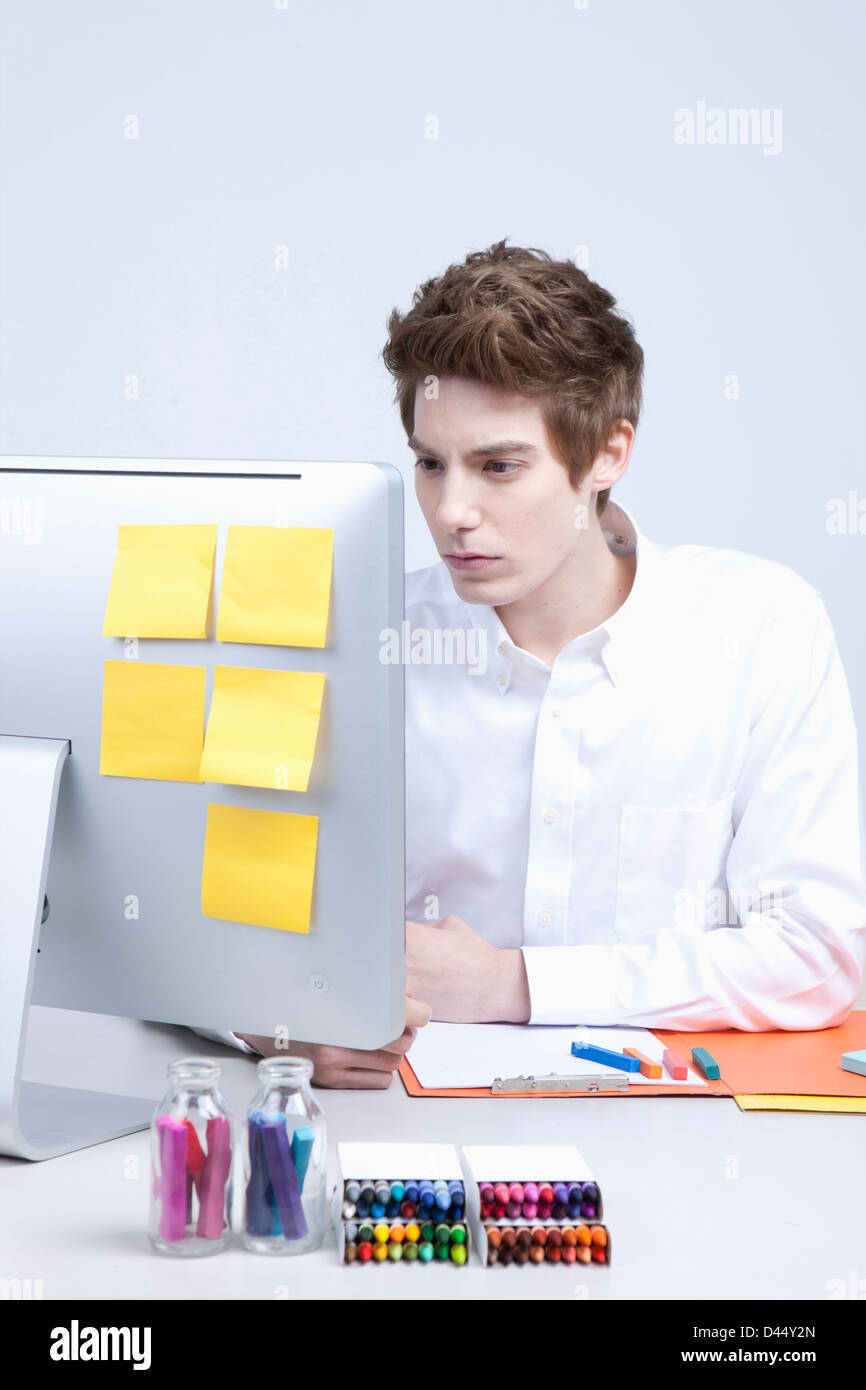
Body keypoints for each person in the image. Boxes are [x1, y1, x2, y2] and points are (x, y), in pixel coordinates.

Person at [196, 239, 866, 1083]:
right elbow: (206, 916)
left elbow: (816, 951)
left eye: (498, 467)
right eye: (430, 464)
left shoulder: (763, 629)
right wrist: (275, 1025)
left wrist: (516, 983)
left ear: (608, 456)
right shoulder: (350, 640)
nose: (452, 512)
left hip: (678, 1140)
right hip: (403, 1147)